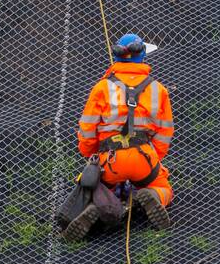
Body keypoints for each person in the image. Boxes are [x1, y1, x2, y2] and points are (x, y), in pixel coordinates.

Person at [61, 33, 175, 240]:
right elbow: (165, 131)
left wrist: (91, 154)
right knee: (162, 186)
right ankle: (152, 196)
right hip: (143, 158)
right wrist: (153, 157)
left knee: (96, 187)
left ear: (117, 56)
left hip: (110, 160)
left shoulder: (102, 87)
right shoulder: (159, 90)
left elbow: (87, 128)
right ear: (142, 55)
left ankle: (97, 206)